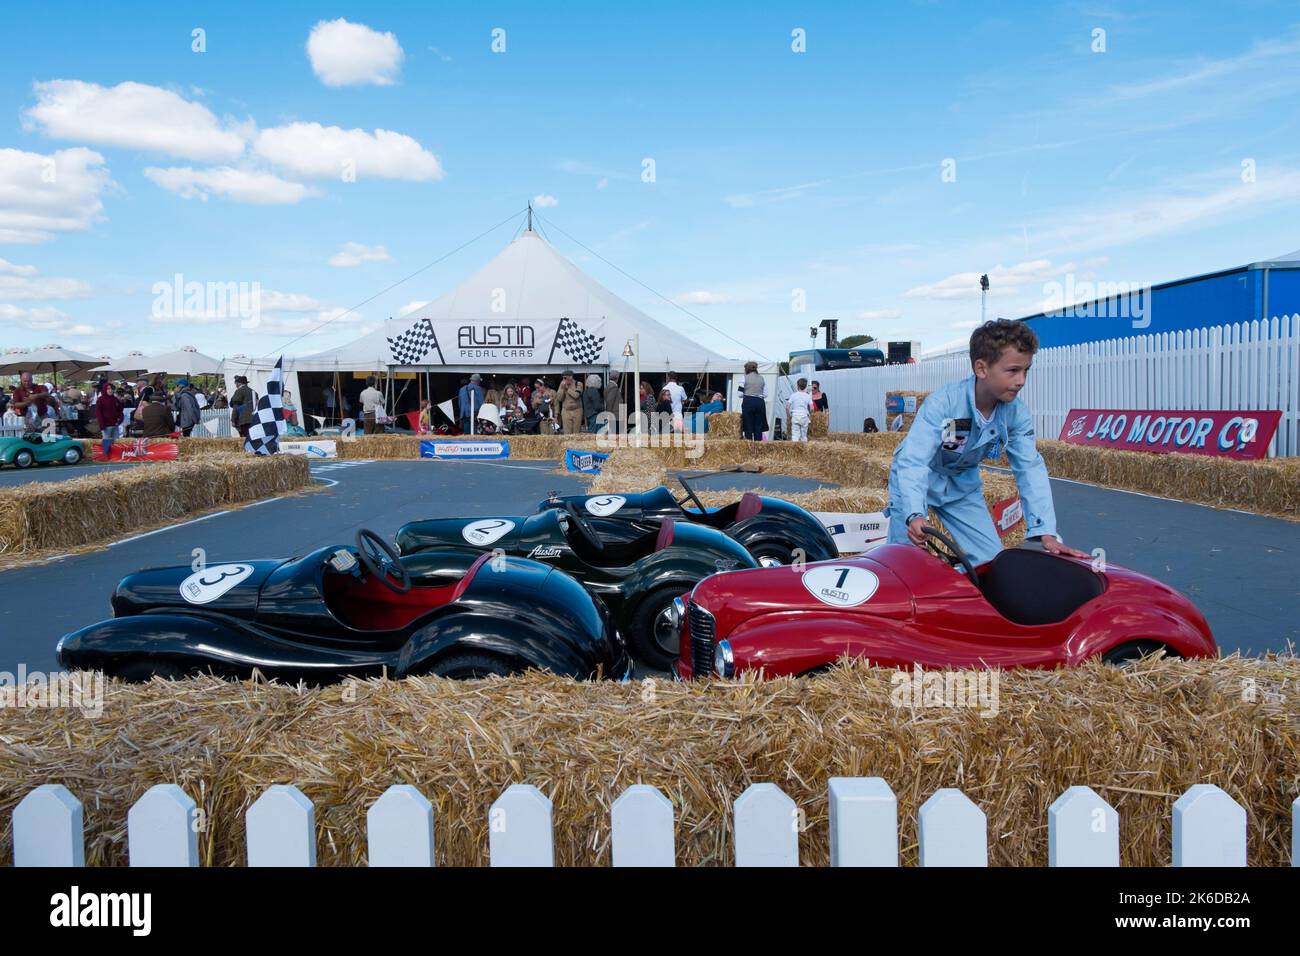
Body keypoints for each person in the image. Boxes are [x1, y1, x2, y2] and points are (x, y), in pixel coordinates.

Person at [886, 318, 1090, 564]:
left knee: (990, 562)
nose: (1021, 380)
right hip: (918, 478)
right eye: (1013, 370)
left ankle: (954, 586)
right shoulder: (944, 404)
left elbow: (1030, 468)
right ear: (981, 369)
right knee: (904, 562)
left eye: (1026, 370)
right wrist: (915, 515)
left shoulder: (1017, 413)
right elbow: (914, 462)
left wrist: (1043, 530)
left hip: (962, 485)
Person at [93, 380, 124, 460]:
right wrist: (102, 425)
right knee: (107, 441)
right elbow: (98, 413)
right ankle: (105, 456)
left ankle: (116, 456)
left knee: (116, 441)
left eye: (111, 388)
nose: (110, 390)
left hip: (115, 424)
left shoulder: (115, 399)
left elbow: (120, 410)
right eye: (108, 388)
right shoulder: (100, 400)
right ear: (105, 390)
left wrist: (120, 419)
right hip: (106, 425)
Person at [739, 360, 767, 441]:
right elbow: (765, 394)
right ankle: (758, 449)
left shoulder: (744, 378)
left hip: (748, 401)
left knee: (748, 425)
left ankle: (749, 448)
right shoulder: (762, 378)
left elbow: (739, 394)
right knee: (758, 426)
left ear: (746, 369)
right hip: (760, 402)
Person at [555, 370, 583, 434]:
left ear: (571, 377)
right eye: (563, 378)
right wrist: (562, 389)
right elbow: (559, 399)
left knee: (576, 432)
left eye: (565, 378)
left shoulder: (578, 384)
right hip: (566, 411)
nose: (564, 379)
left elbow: (576, 396)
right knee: (567, 432)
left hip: (577, 410)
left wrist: (568, 389)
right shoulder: (562, 384)